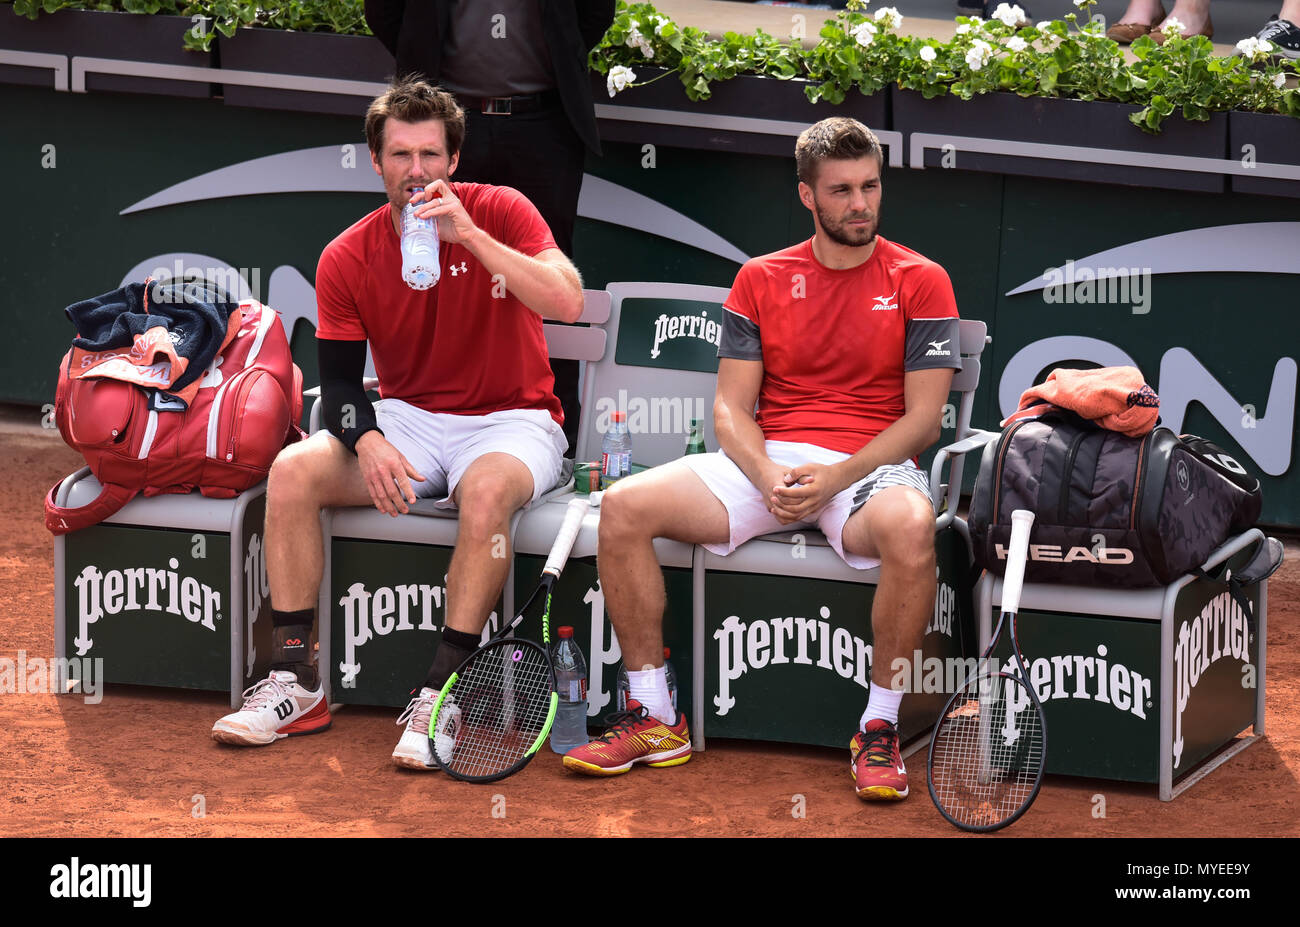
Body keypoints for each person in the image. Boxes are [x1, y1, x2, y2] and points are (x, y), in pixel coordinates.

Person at [563, 117, 962, 802]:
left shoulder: (922, 279)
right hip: (770, 462)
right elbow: (729, 410)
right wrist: (766, 473)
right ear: (807, 195)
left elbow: (923, 418)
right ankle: (656, 716)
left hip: (867, 467)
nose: (860, 204)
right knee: (624, 506)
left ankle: (880, 725)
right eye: (841, 191)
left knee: (911, 526)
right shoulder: (760, 278)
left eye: (870, 187)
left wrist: (837, 475)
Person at [211, 78, 584, 770]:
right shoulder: (347, 255)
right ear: (376, 162)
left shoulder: (500, 210)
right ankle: (295, 682)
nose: (418, 171)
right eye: (402, 155)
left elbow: (565, 299)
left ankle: (441, 696)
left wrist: (466, 233)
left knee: (484, 492)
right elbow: (344, 386)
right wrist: (368, 436)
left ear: (454, 161)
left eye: (432, 155)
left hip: (514, 419)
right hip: (410, 418)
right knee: (293, 469)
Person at [363, 0, 618, 457]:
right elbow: (385, 12)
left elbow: (594, 13)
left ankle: (559, 435)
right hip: (448, 123)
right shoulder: (427, 155)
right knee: (438, 258)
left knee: (543, 275)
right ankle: (439, 417)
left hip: (545, 123)